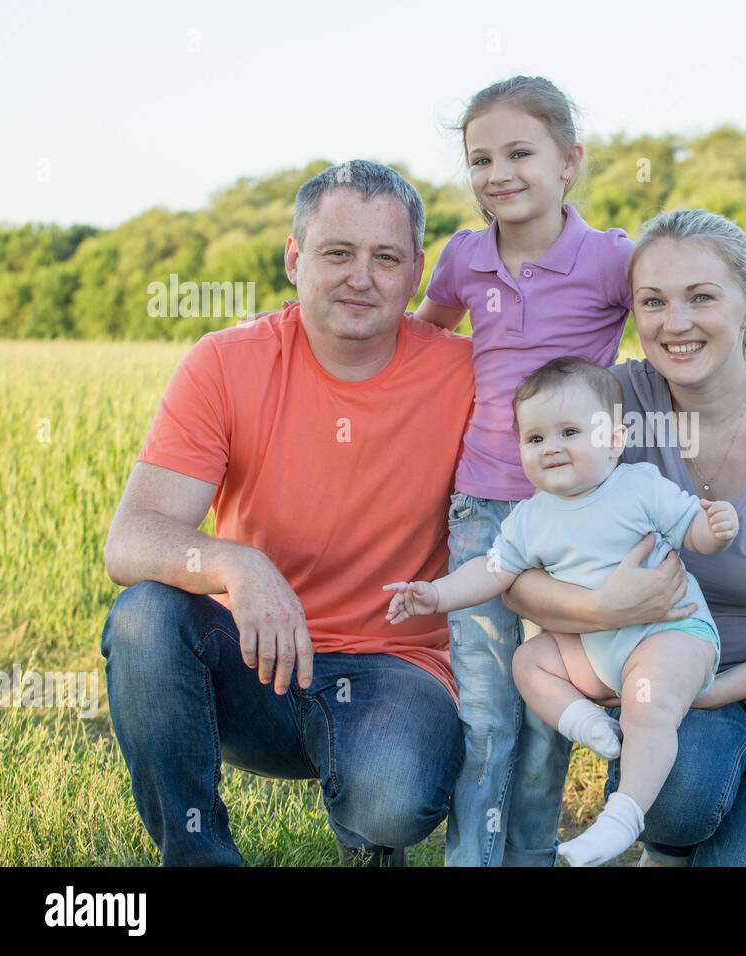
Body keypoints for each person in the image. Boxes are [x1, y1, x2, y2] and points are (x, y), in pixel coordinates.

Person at [100, 160, 475, 866]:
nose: (361, 277)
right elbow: (131, 540)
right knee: (145, 615)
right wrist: (232, 561)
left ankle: (368, 837)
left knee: (393, 797)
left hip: (398, 667)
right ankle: (198, 853)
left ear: (418, 272)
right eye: (338, 253)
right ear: (294, 258)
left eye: (385, 258)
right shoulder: (225, 363)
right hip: (257, 660)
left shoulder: (464, 374)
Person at [504, 208, 746, 865]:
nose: (674, 323)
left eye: (700, 297)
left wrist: (715, 689)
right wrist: (598, 611)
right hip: (679, 668)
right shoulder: (613, 406)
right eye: (653, 302)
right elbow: (515, 573)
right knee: (677, 804)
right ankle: (678, 841)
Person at [410, 76, 638, 866]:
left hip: (575, 521)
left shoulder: (611, 260)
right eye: (480, 159)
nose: (497, 172)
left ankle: (532, 855)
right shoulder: (464, 257)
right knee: (486, 708)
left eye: (519, 152)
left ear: (568, 160)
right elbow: (427, 335)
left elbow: (687, 325)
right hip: (481, 510)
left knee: (551, 709)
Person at [383, 357, 736, 866]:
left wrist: (715, 530)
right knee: (529, 661)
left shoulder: (637, 486)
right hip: (595, 651)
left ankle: (624, 816)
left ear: (615, 440)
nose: (551, 447)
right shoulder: (531, 517)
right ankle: (592, 727)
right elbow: (493, 570)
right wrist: (435, 595)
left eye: (570, 432)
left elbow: (691, 530)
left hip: (672, 632)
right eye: (535, 438)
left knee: (650, 699)